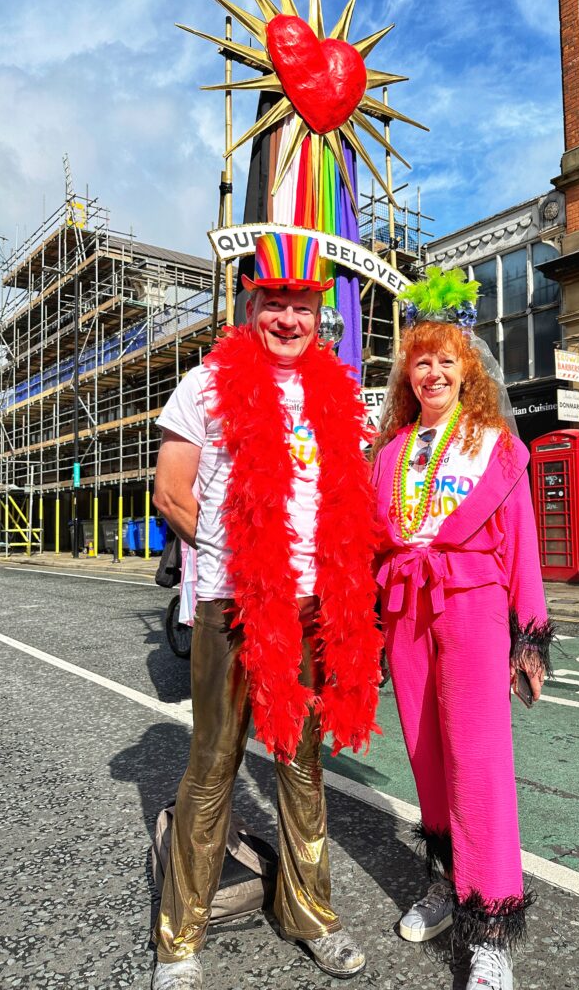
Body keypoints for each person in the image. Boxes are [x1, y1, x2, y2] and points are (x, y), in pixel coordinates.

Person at [150, 233, 383, 989]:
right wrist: (235, 558)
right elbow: (171, 494)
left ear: (319, 314)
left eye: (302, 305)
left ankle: (310, 914)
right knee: (214, 765)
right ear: (252, 304)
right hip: (235, 602)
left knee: (302, 766)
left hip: (316, 605)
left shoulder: (336, 390)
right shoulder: (206, 384)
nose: (288, 317)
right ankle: (178, 938)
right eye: (275, 302)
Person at [371, 268, 554, 990]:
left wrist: (529, 638)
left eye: (448, 358)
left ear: (468, 367)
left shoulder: (497, 448)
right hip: (406, 613)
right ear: (408, 370)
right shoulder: (388, 454)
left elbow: (522, 545)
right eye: (423, 357)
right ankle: (448, 886)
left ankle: (493, 930)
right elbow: (374, 546)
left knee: (478, 768)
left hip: (474, 609)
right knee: (426, 759)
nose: (434, 370)